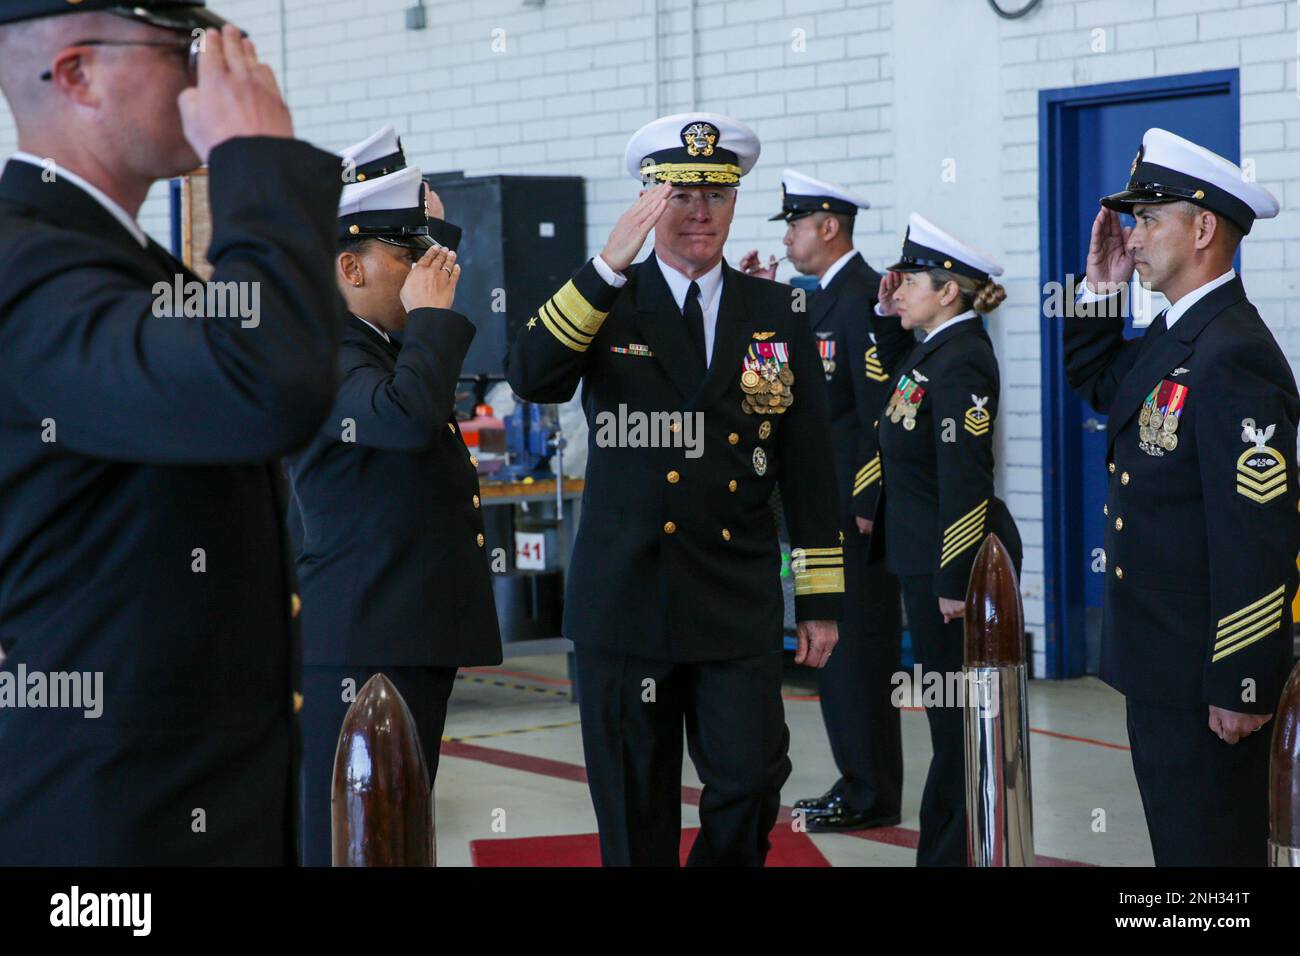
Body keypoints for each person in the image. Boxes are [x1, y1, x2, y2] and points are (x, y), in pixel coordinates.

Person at [0, 3, 345, 864]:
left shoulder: (120, 265)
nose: (212, 75)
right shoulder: (29, 265)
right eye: (183, 49)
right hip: (102, 820)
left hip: (174, 799)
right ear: (77, 75)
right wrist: (254, 163)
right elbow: (263, 384)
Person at [505, 113, 843, 866]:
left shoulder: (776, 312)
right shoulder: (607, 299)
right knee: (633, 802)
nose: (700, 212)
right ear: (649, 202)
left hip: (734, 595)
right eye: (681, 194)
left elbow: (810, 464)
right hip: (627, 597)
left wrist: (819, 599)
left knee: (753, 779)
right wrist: (605, 265)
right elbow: (531, 375)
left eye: (717, 196)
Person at [1065, 128, 1297, 866]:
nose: (1132, 237)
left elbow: (1257, 534)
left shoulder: (1235, 354)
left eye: (1148, 218)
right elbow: (1100, 382)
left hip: (1207, 674)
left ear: (1202, 229)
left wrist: (1244, 678)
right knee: (1181, 847)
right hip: (1162, 666)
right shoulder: (1181, 332)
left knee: (1211, 856)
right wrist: (1100, 290)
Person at [286, 127, 502, 867]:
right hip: (360, 639)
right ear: (349, 266)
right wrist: (436, 319)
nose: (427, 273)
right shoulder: (324, 349)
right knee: (351, 840)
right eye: (408, 257)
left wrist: (430, 239)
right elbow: (403, 419)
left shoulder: (373, 344)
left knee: (391, 836)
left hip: (398, 631)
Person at [740, 170, 903, 831]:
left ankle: (870, 792)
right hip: (814, 517)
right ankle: (854, 780)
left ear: (827, 227)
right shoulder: (808, 303)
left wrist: (863, 504)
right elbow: (774, 399)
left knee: (856, 653)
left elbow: (882, 419)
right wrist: (759, 304)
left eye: (795, 225)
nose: (787, 236)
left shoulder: (865, 300)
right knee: (830, 654)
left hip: (847, 520)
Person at [866, 212, 1022, 866]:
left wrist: (956, 580)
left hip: (947, 569)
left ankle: (956, 854)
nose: (895, 289)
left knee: (959, 733)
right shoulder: (934, 350)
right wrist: (885, 316)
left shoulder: (963, 363)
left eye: (908, 282)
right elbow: (894, 397)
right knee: (945, 726)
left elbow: (966, 476)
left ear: (948, 290)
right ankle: (944, 851)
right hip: (923, 559)